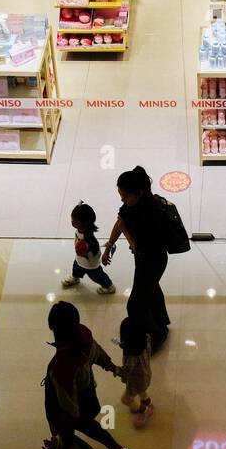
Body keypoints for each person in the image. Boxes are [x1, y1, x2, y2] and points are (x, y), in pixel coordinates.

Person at [41, 301, 134, 449]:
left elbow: (67, 404)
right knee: (89, 425)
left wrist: (60, 431)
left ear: (53, 328)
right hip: (88, 397)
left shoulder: (61, 366)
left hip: (73, 411)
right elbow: (98, 354)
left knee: (77, 440)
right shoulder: (83, 334)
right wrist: (113, 367)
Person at [101, 166, 171, 351]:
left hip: (153, 260)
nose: (122, 199)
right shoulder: (131, 206)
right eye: (121, 195)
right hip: (144, 259)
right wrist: (108, 247)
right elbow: (120, 223)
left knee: (135, 306)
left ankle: (158, 334)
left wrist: (126, 233)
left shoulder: (150, 213)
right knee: (152, 290)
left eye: (125, 196)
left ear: (138, 193)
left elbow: (135, 243)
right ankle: (162, 322)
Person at [61, 202, 117, 294]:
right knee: (76, 267)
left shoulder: (89, 239)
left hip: (90, 263)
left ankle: (109, 286)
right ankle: (75, 277)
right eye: (72, 219)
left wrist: (86, 254)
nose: (72, 222)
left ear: (84, 223)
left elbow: (95, 251)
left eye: (75, 220)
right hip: (80, 259)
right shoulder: (79, 230)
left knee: (97, 276)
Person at [116, 316, 154, 428]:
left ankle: (144, 410)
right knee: (142, 390)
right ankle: (147, 401)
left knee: (126, 399)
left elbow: (126, 371)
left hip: (135, 381)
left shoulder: (132, 356)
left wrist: (116, 370)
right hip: (146, 374)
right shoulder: (146, 338)